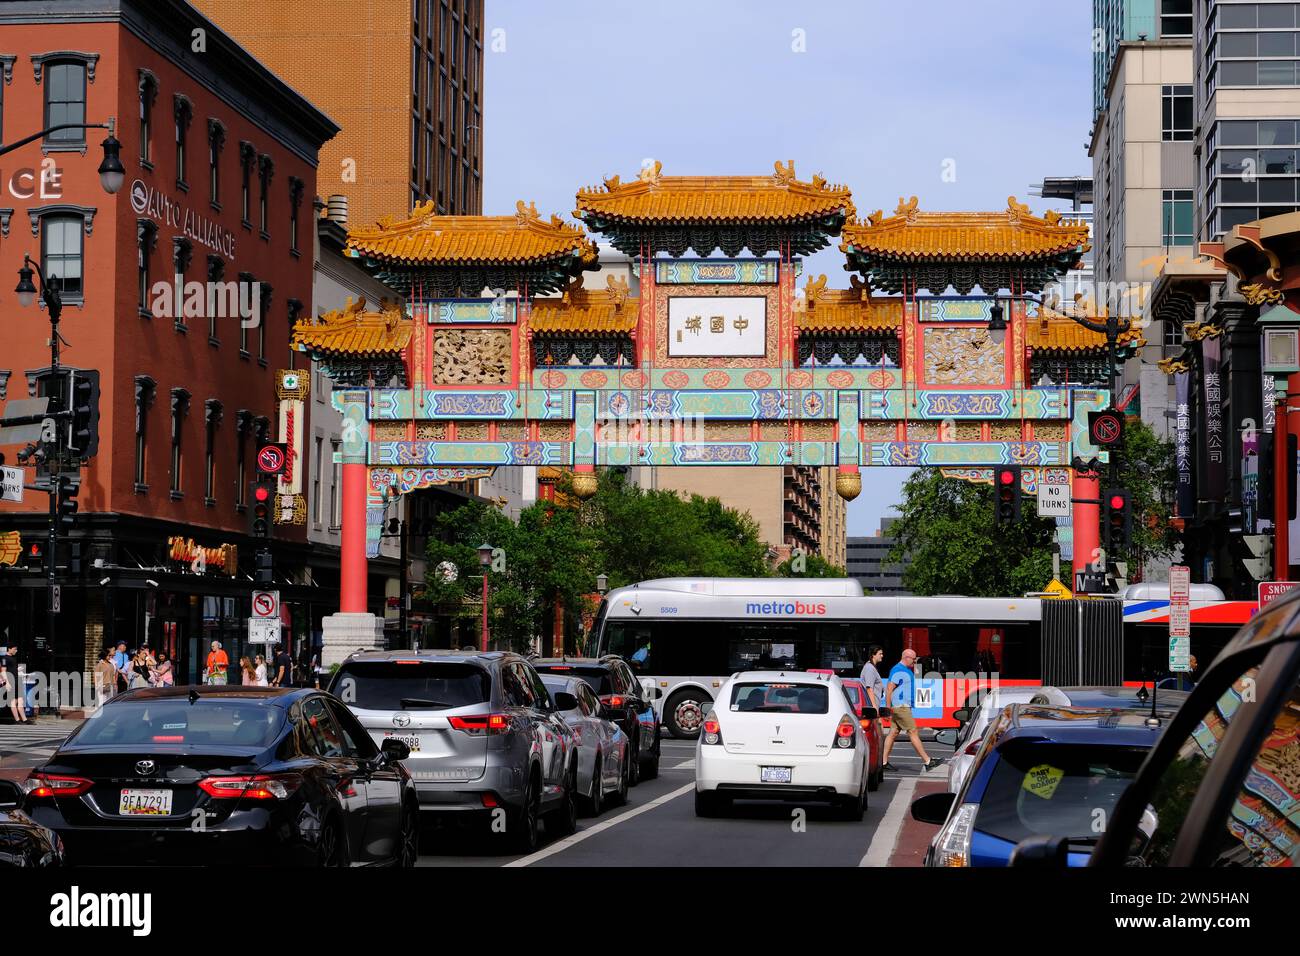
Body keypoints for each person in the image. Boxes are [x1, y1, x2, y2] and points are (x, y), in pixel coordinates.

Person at [881, 648, 942, 773]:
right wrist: (888, 708)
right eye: (913, 660)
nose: (915, 662)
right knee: (913, 731)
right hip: (901, 707)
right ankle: (928, 761)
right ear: (906, 658)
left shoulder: (906, 670)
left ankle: (883, 762)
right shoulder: (898, 670)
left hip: (901, 706)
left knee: (893, 733)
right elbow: (889, 689)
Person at [0, 645, 28, 724]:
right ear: (9, 649)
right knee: (13, 702)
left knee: (20, 701)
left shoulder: (13, 658)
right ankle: (17, 720)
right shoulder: (4, 658)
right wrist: (7, 683)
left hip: (17, 681)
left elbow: (11, 670)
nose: (16, 650)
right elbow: (3, 671)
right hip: (11, 682)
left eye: (16, 649)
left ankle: (24, 719)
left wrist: (17, 670)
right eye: (14, 649)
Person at [860, 645, 886, 710]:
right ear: (873, 655)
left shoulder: (872, 667)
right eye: (880, 654)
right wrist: (874, 707)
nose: (882, 656)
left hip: (873, 705)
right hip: (871, 706)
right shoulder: (869, 668)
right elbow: (869, 688)